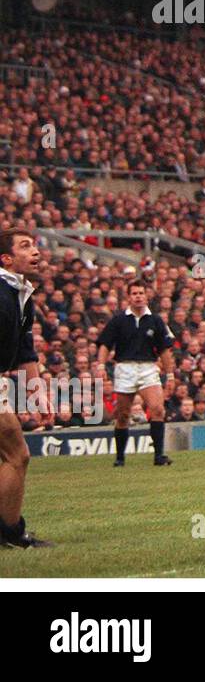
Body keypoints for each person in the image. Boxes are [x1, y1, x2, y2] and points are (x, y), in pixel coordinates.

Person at [0, 229, 52, 547]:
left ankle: (10, 532)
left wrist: (38, 393)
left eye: (33, 244)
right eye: (25, 246)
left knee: (14, 455)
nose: (34, 250)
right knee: (17, 455)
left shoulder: (21, 293)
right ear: (6, 259)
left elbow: (25, 349)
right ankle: (11, 532)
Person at [96, 281, 175, 467]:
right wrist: (100, 365)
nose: (138, 296)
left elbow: (164, 350)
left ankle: (159, 456)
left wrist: (170, 375)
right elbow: (105, 344)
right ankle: (120, 457)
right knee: (123, 415)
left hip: (148, 368)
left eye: (141, 293)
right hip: (125, 367)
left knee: (157, 409)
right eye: (134, 293)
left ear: (146, 296)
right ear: (128, 297)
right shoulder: (118, 320)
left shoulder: (155, 320)